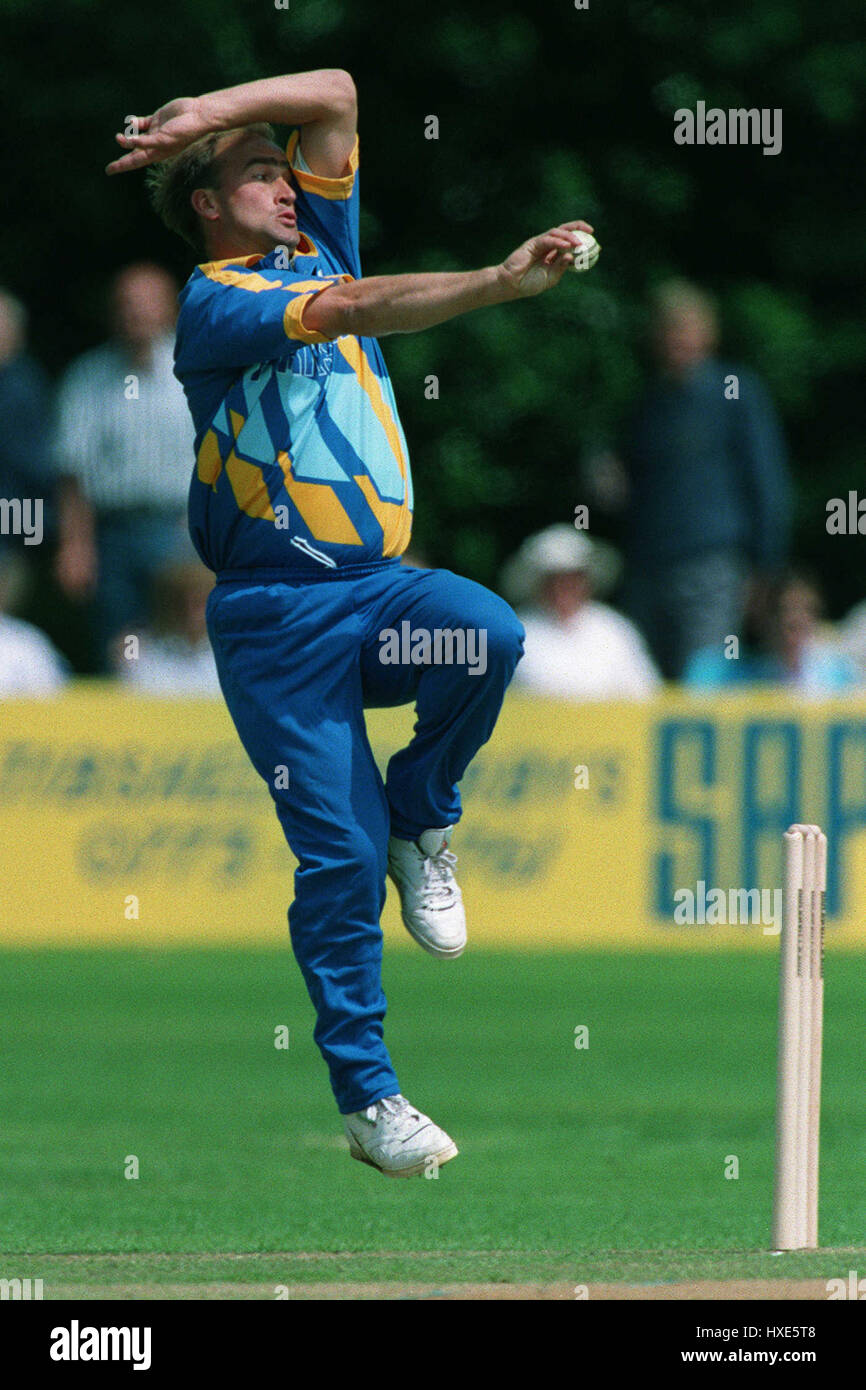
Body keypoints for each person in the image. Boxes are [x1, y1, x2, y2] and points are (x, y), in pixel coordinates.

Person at [108, 66, 594, 1176]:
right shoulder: (216, 301)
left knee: (487, 634)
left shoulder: (315, 235)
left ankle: (421, 814)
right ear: (204, 204)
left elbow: (333, 86)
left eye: (288, 171)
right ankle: (369, 1098)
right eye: (256, 175)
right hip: (278, 624)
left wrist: (212, 113)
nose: (286, 186)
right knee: (334, 863)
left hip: (375, 594)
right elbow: (357, 310)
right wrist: (500, 282)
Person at [593, 280, 792, 680]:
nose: (677, 338)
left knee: (704, 678)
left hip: (713, 566)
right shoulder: (645, 403)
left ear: (708, 333)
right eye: (668, 328)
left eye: (686, 327)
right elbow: (622, 488)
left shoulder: (736, 391)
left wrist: (766, 568)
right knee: (646, 680)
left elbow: (768, 480)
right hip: (647, 567)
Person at [54, 263, 195, 669]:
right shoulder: (87, 377)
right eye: (126, 304)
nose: (135, 313)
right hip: (113, 534)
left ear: (169, 309)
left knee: (185, 642)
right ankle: (123, 731)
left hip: (181, 530)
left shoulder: (193, 372)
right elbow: (72, 473)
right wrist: (75, 546)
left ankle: (188, 729)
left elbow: (218, 459)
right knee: (121, 643)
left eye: (145, 303)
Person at [501, 524, 660, 699]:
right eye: (555, 579)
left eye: (572, 578)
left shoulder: (614, 628)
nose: (564, 587)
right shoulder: (516, 630)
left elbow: (645, 693)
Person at [683, 570, 859, 695]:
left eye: (806, 610)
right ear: (763, 617)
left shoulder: (838, 673)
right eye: (784, 610)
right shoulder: (716, 672)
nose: (794, 620)